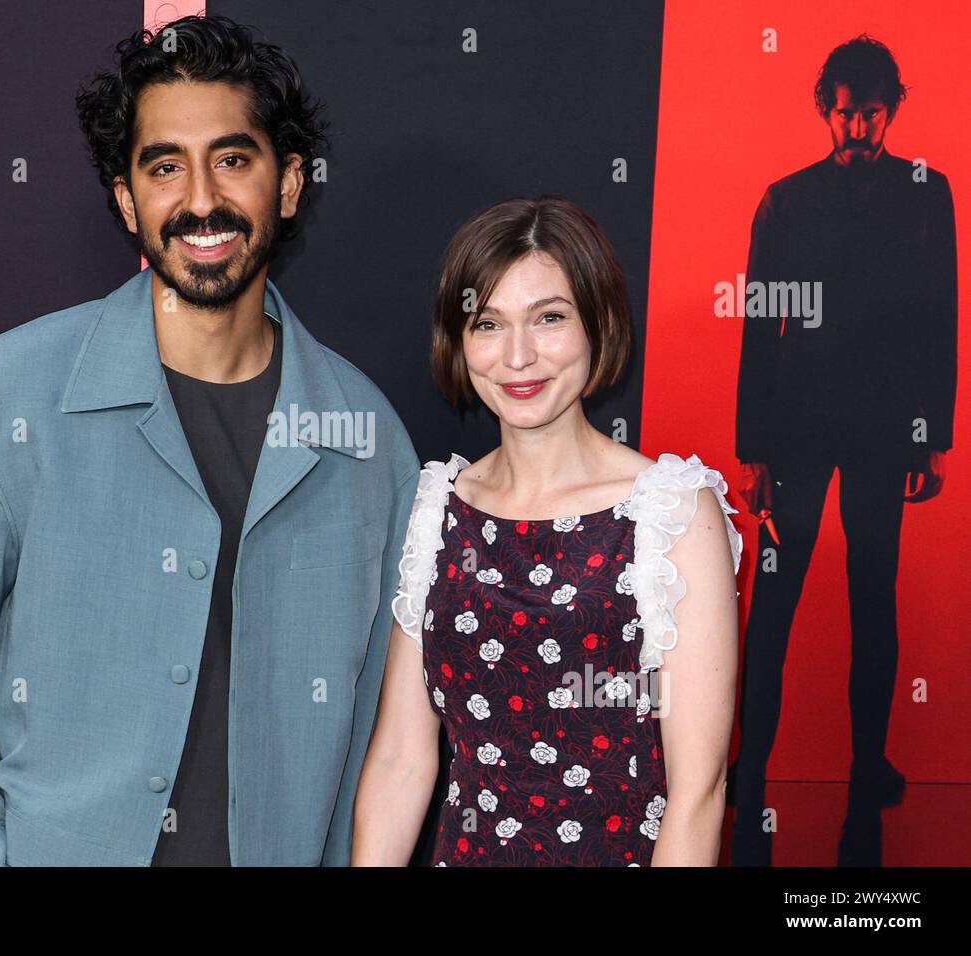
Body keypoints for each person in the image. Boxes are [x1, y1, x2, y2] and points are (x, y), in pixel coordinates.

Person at [0, 13, 420, 866]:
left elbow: (377, 738)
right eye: (165, 166)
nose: (201, 200)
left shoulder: (367, 444)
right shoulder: (3, 397)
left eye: (234, 159)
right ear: (125, 197)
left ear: (288, 186)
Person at [352, 196, 742, 866]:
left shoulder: (672, 511)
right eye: (489, 324)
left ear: (600, 324)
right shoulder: (436, 507)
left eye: (549, 319)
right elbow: (399, 763)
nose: (519, 356)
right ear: (459, 340)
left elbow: (697, 793)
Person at [730, 34, 957, 866]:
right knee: (778, 598)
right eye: (844, 110)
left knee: (875, 595)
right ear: (825, 108)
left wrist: (933, 431)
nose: (856, 124)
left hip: (883, 423)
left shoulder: (927, 194)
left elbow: (942, 316)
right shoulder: (785, 200)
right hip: (795, 423)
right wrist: (753, 444)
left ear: (892, 108)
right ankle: (748, 771)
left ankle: (867, 765)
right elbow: (759, 321)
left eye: (869, 110)